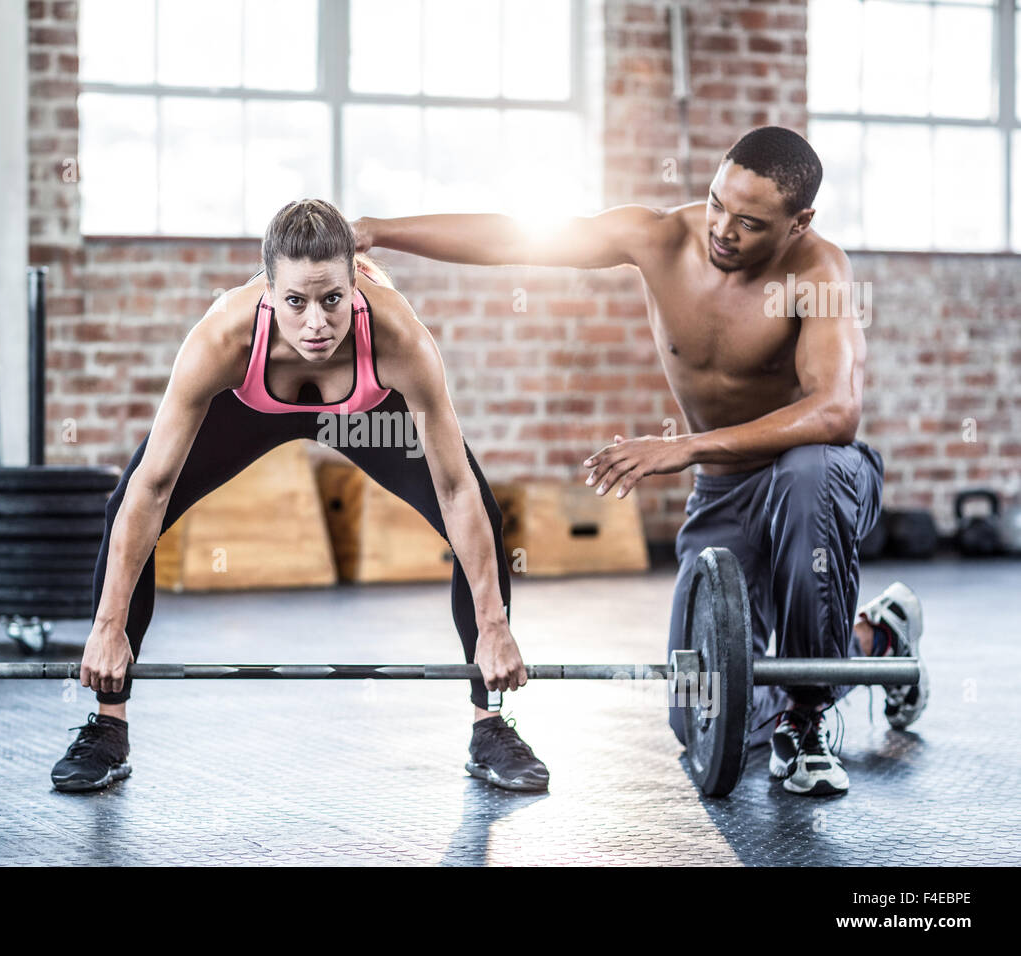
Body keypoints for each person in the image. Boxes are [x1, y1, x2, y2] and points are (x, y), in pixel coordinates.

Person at [353, 126, 928, 797]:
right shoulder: (659, 239)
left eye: (749, 222)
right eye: (717, 203)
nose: (723, 230)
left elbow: (836, 413)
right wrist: (378, 229)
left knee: (809, 474)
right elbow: (517, 237)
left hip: (817, 478)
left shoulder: (821, 272)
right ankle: (875, 642)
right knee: (702, 719)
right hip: (723, 493)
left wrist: (681, 448)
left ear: (801, 222)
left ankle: (806, 721)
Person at [51, 199, 549, 794]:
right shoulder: (221, 339)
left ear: (355, 282)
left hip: (363, 413)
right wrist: (108, 625)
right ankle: (108, 725)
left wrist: (493, 624)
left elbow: (454, 487)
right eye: (295, 301)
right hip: (250, 407)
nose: (316, 323)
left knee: (480, 518)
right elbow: (150, 489)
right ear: (267, 292)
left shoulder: (399, 339)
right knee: (128, 507)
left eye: (332, 299)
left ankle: (490, 722)